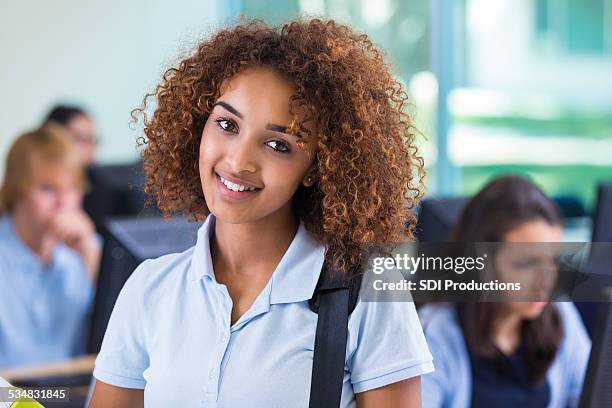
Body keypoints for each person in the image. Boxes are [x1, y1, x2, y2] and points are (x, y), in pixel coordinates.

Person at [90, 18, 433, 407]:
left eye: (278, 144)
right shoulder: (149, 289)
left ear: (318, 166)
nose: (238, 162)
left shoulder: (368, 291)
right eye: (226, 124)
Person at [420, 176, 591, 408]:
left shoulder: (560, 313)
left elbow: (591, 394)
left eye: (552, 261)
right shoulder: (434, 334)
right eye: (525, 263)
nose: (545, 282)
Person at [0, 124, 100, 368]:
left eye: (72, 188)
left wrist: (93, 260)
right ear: (17, 191)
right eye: (48, 189)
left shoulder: (89, 248)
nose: (63, 202)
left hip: (71, 394)